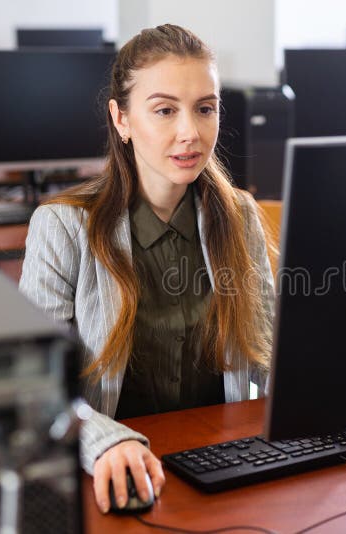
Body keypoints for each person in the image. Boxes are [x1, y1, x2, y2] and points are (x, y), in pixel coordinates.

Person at [19, 24, 275, 513]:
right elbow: (35, 386)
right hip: (111, 470)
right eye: (164, 110)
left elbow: (267, 353)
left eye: (205, 108)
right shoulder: (63, 227)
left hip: (217, 464)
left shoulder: (238, 216)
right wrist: (105, 442)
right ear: (122, 119)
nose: (190, 132)